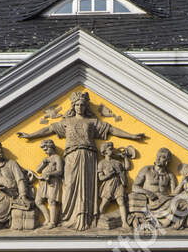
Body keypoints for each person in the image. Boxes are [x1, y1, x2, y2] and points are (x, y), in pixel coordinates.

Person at [16, 91, 145, 231]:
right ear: (73, 106)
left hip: (89, 157)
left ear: (86, 107)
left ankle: (86, 218)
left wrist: (131, 136)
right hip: (71, 157)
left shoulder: (92, 122)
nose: (79, 107)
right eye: (77, 104)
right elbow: (49, 129)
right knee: (69, 185)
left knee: (87, 186)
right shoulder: (67, 122)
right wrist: (30, 135)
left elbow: (112, 129)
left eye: (82, 105)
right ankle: (68, 218)